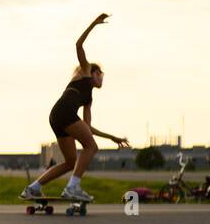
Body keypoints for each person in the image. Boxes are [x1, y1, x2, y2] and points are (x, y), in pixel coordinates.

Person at [21, 14, 131, 203]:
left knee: (71, 162)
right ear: (95, 72)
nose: (102, 79)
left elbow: (86, 128)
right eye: (101, 75)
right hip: (64, 113)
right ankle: (72, 187)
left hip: (57, 116)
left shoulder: (88, 99)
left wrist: (111, 137)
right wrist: (94, 24)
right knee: (91, 147)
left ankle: (33, 187)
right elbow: (78, 45)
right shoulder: (86, 70)